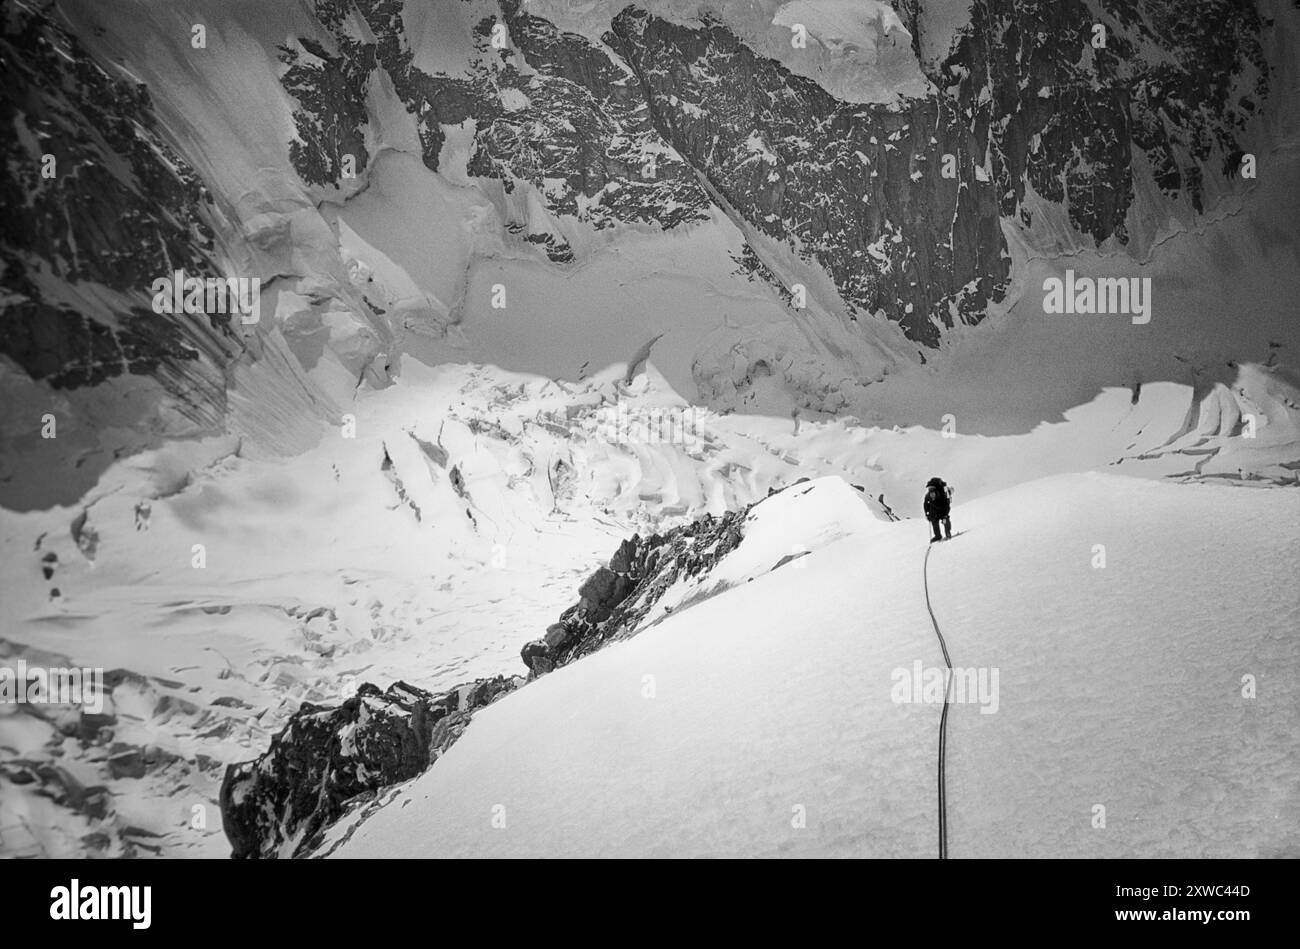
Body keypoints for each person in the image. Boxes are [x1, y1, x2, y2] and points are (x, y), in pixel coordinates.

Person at [923, 477, 953, 542]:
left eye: (933, 494)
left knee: (946, 520)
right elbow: (925, 505)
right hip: (934, 511)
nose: (932, 496)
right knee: (934, 522)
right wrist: (927, 514)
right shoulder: (927, 496)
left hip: (943, 511)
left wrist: (945, 516)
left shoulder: (943, 495)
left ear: (936, 492)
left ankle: (948, 533)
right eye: (931, 494)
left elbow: (947, 506)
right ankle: (938, 536)